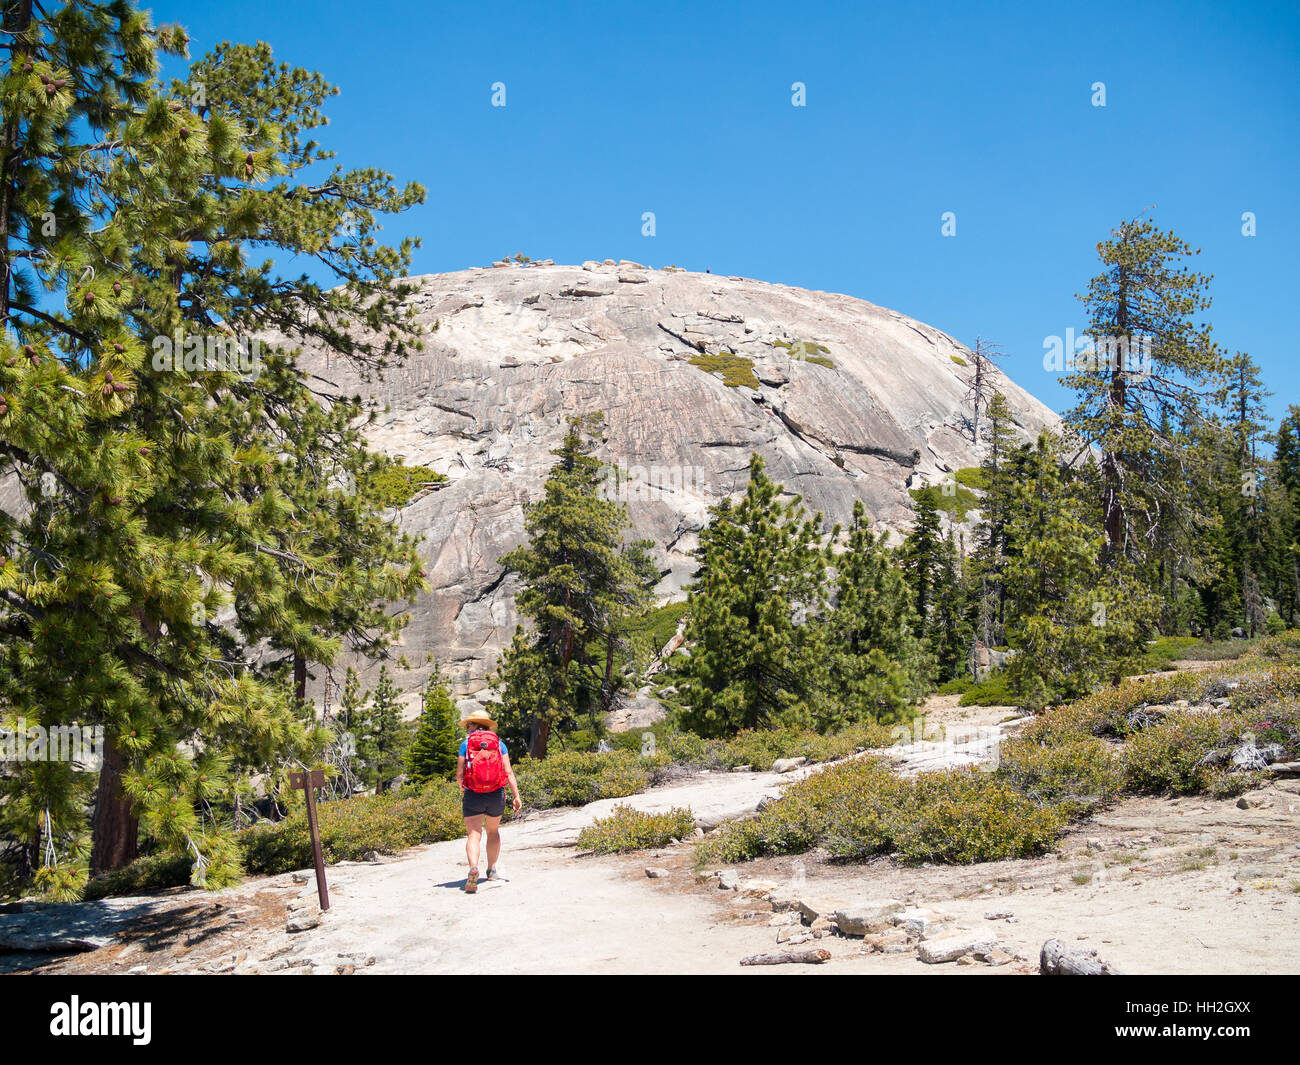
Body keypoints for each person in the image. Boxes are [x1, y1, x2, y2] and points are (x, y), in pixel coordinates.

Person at [456, 709, 522, 893]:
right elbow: (508, 772)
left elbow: (460, 774)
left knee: (474, 834)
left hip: (473, 794)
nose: (467, 729)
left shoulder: (466, 744)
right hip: (496, 794)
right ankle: (491, 870)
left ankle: (473, 868)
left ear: (474, 726)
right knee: (493, 832)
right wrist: (516, 796)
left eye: (469, 726)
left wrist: (464, 788)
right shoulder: (499, 744)